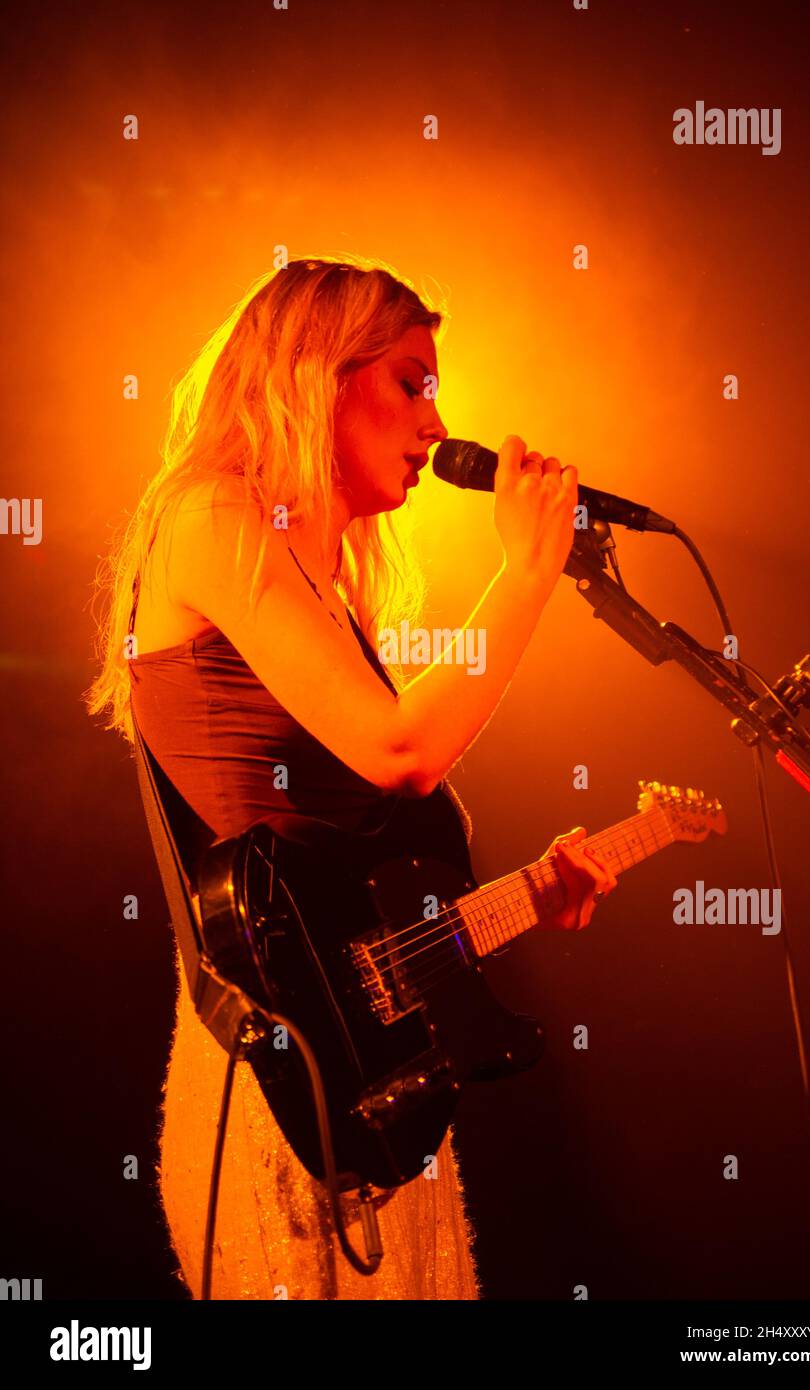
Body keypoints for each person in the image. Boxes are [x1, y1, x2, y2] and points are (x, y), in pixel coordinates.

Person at [87, 255, 617, 1300]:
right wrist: (525, 572)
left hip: (358, 1083)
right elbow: (402, 747)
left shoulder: (322, 592)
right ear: (313, 378)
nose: (435, 422)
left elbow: (355, 884)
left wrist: (513, 903)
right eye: (410, 382)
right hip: (277, 1089)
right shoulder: (208, 515)